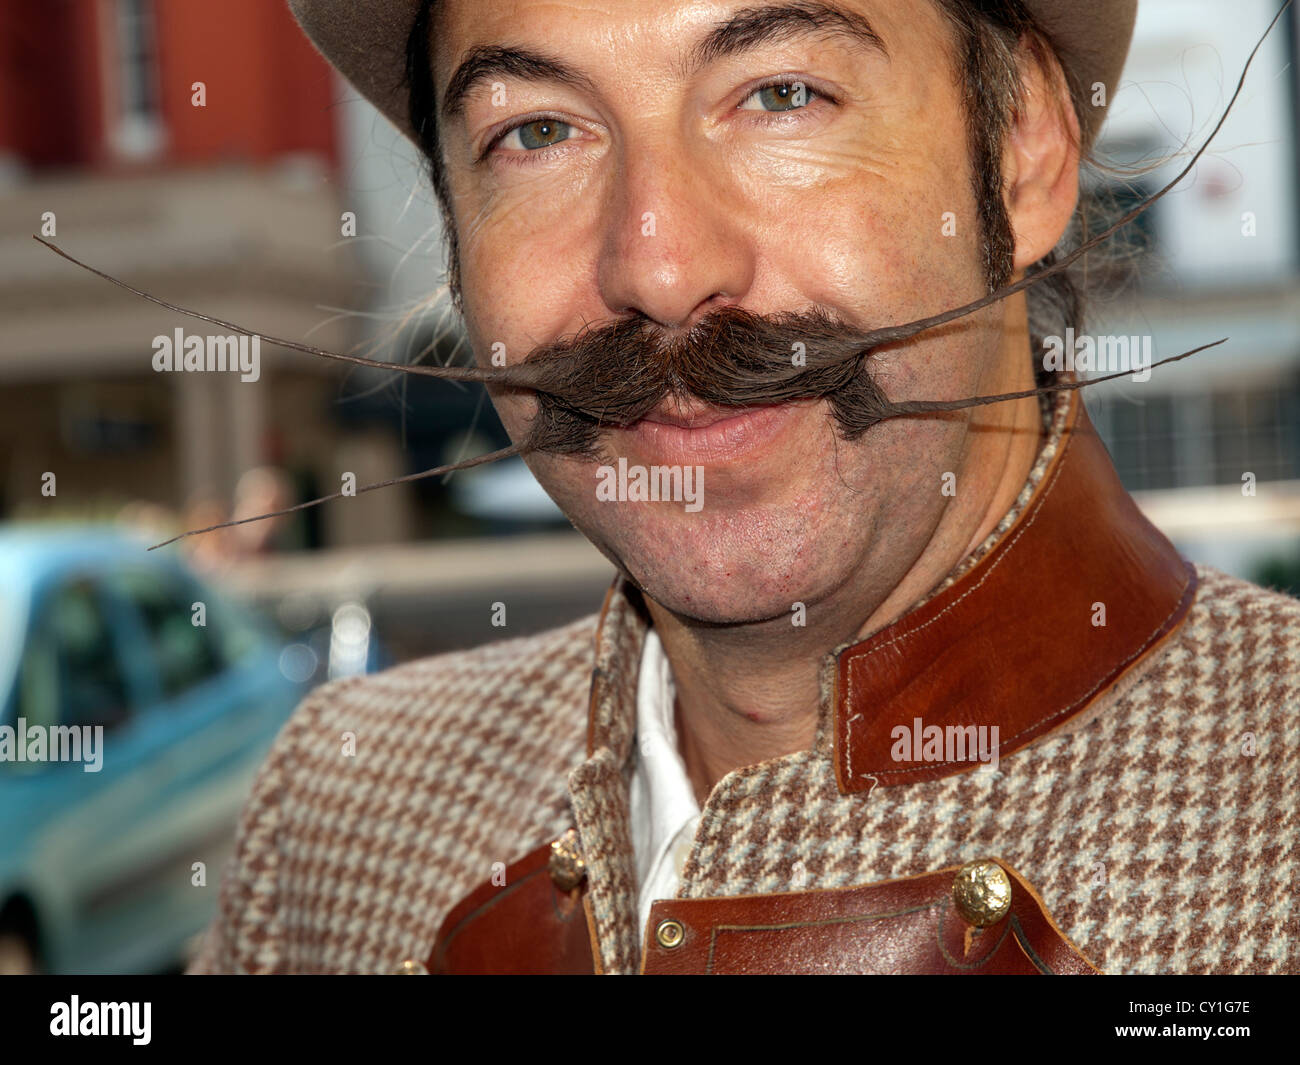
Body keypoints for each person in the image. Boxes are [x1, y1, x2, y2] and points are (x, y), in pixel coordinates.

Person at [189, 0, 1300, 974]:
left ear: (1024, 151)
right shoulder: (338, 821)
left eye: (780, 94)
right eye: (537, 132)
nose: (660, 268)